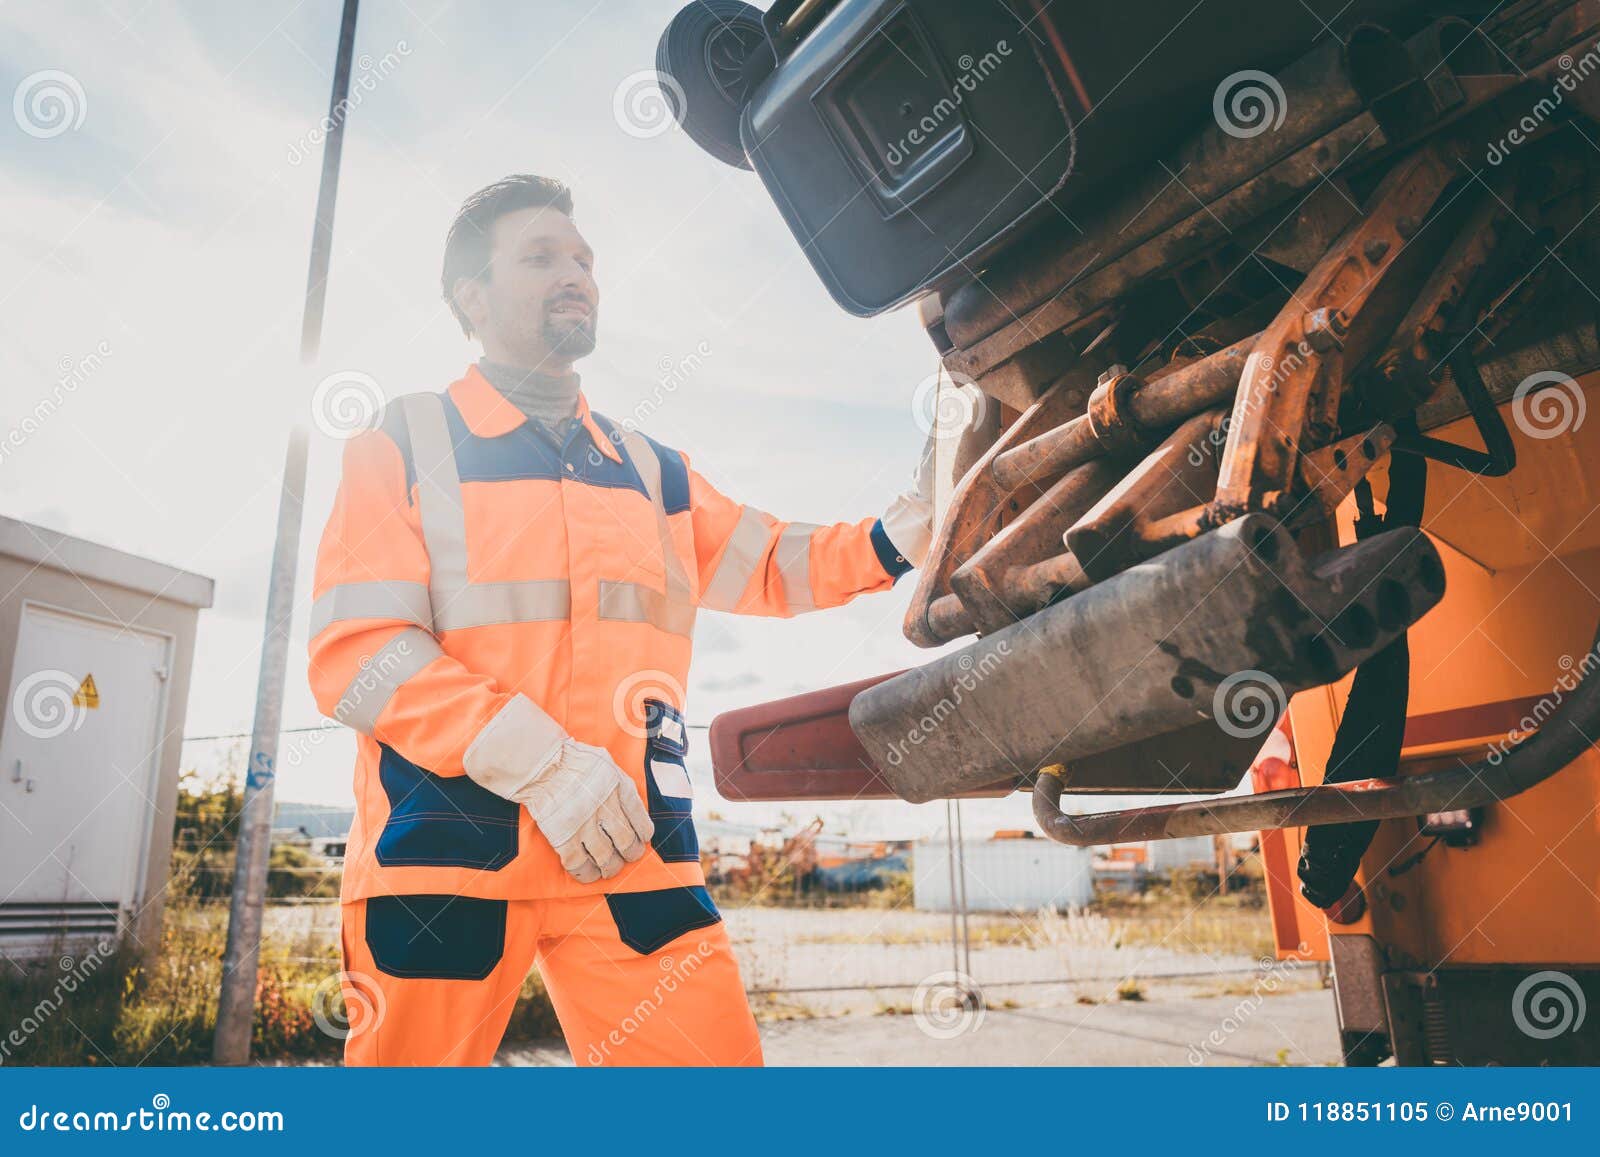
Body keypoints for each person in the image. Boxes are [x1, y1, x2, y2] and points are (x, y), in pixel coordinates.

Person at [307, 174, 941, 1066]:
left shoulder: (650, 470)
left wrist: (899, 533)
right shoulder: (404, 440)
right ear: (472, 297)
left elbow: (772, 561)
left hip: (632, 856)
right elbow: (357, 652)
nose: (576, 274)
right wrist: (544, 766)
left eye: (583, 258)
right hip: (446, 864)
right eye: (540, 257)